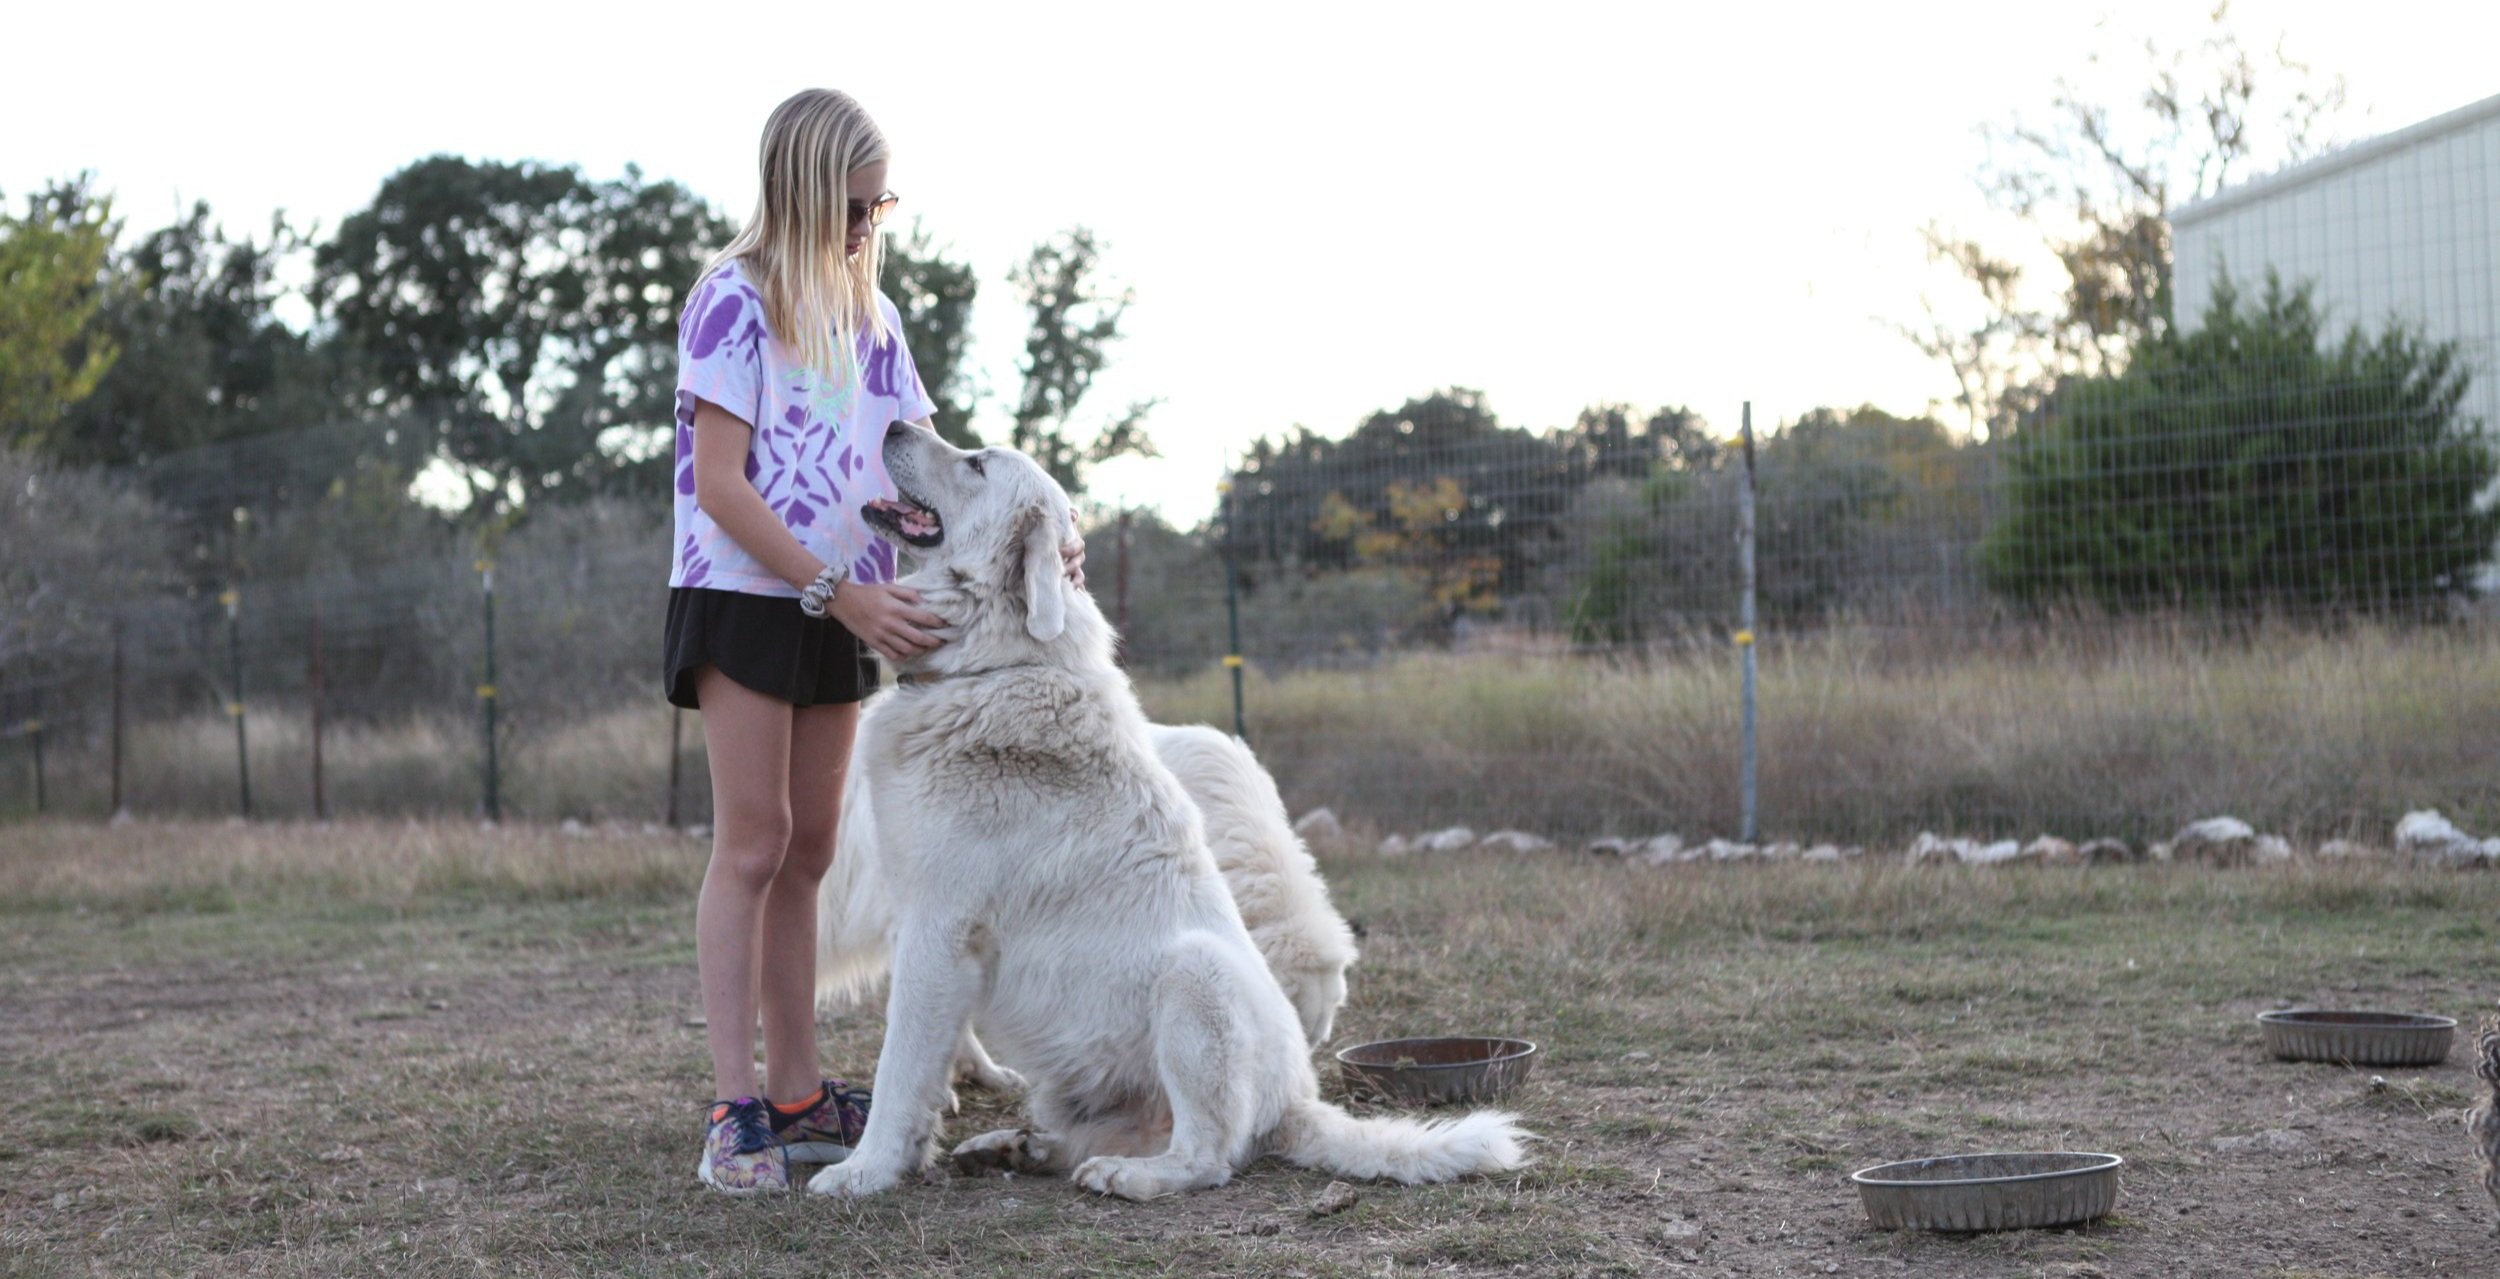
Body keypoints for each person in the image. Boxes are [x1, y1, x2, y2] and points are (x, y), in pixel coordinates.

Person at [663, 86, 1079, 1194]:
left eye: (879, 206)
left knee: (809, 849)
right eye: (853, 206)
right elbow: (719, 486)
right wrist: (835, 591)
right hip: (751, 594)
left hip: (849, 596)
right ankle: (735, 1110)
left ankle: (799, 1093)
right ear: (800, 191)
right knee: (752, 845)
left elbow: (931, 458)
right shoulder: (731, 300)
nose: (867, 225)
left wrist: (1047, 528)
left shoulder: (873, 315)